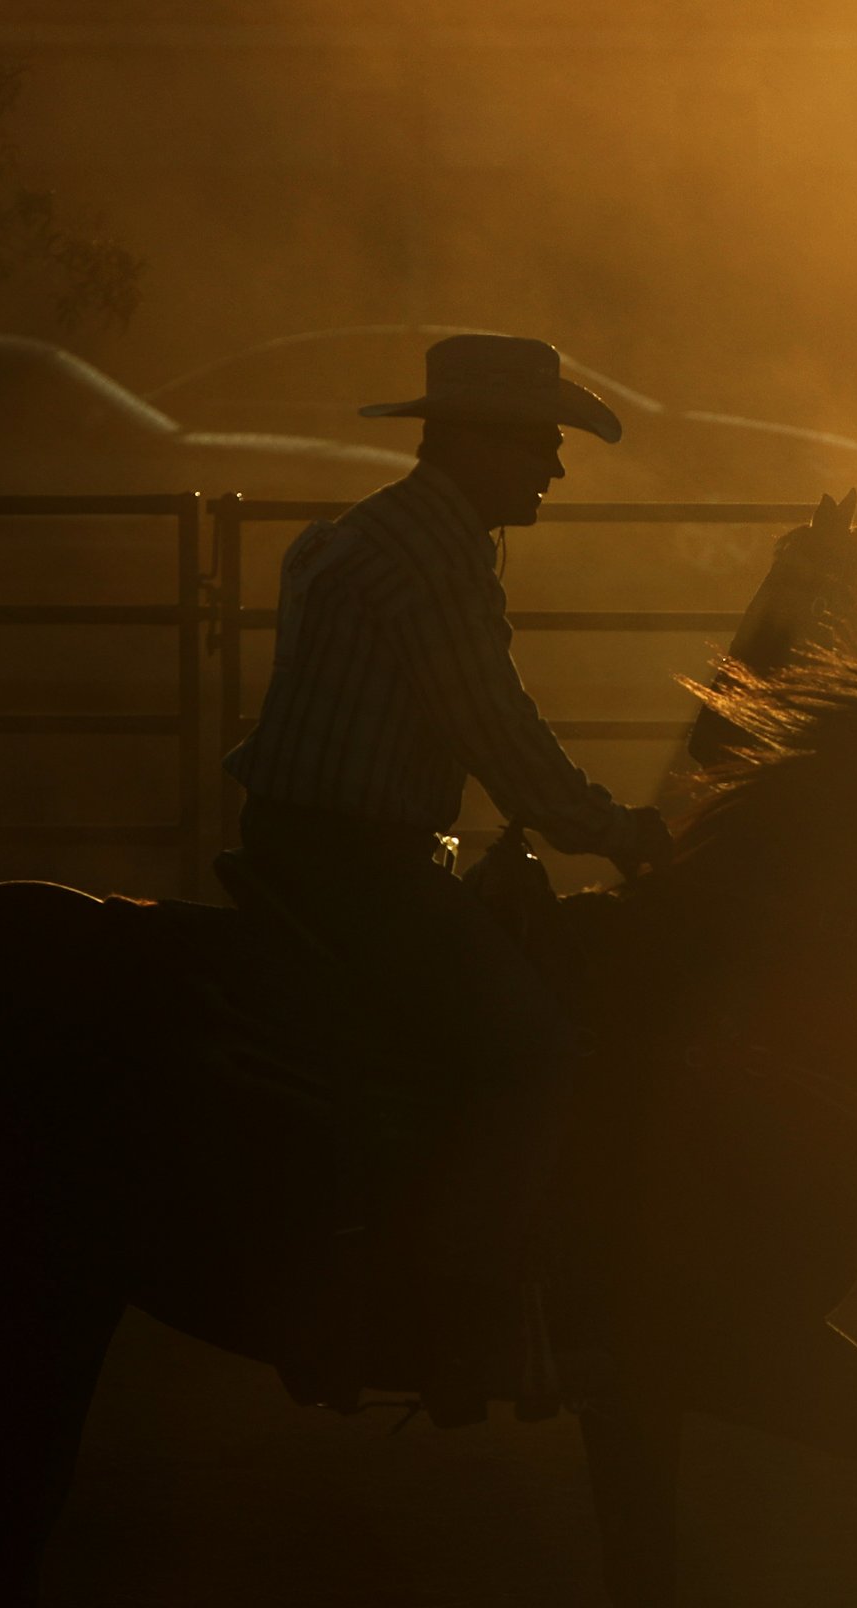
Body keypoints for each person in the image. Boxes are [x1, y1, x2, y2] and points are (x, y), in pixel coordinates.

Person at [223, 332, 672, 1424]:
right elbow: (495, 730)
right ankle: (463, 1314)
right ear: (474, 442)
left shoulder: (376, 534)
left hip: (309, 841)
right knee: (535, 1046)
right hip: (356, 859)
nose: (553, 465)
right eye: (537, 443)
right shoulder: (434, 561)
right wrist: (616, 832)